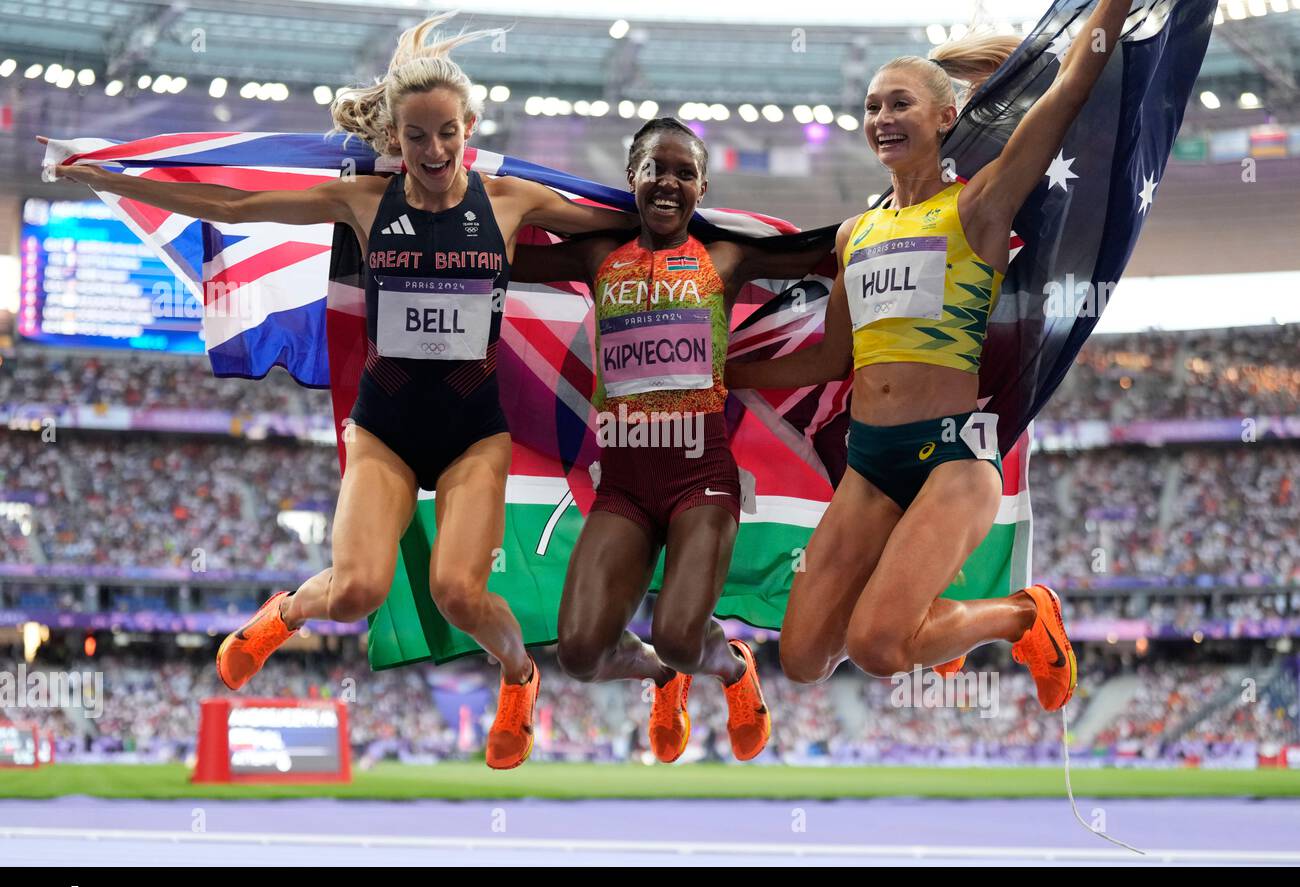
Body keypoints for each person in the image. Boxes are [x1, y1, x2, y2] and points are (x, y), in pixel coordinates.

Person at [41, 13, 636, 769]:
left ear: (470, 126)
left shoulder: (510, 200)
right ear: (395, 135)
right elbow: (234, 206)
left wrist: (722, 234)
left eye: (447, 132)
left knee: (459, 592)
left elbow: (624, 227)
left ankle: (518, 678)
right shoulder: (362, 201)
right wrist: (108, 176)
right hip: (384, 426)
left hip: (473, 431)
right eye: (416, 136)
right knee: (355, 592)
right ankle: (281, 615)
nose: (433, 150)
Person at [726, 0, 1135, 711]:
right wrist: (727, 374)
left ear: (946, 118)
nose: (882, 117)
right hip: (870, 463)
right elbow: (830, 363)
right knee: (803, 657)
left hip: (950, 459)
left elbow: (1068, 92)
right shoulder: (857, 233)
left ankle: (1025, 614)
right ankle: (935, 618)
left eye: (900, 103)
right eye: (872, 105)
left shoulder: (978, 207)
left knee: (882, 648)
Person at [512, 117, 832, 761]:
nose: (668, 182)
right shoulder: (599, 254)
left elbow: (838, 248)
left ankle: (734, 669)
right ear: (631, 178)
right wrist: (420, 214)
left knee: (684, 636)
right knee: (578, 653)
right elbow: (493, 257)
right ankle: (662, 679)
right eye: (655, 168)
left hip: (701, 478)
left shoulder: (727, 257)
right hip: (624, 484)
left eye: (684, 172)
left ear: (702, 186)